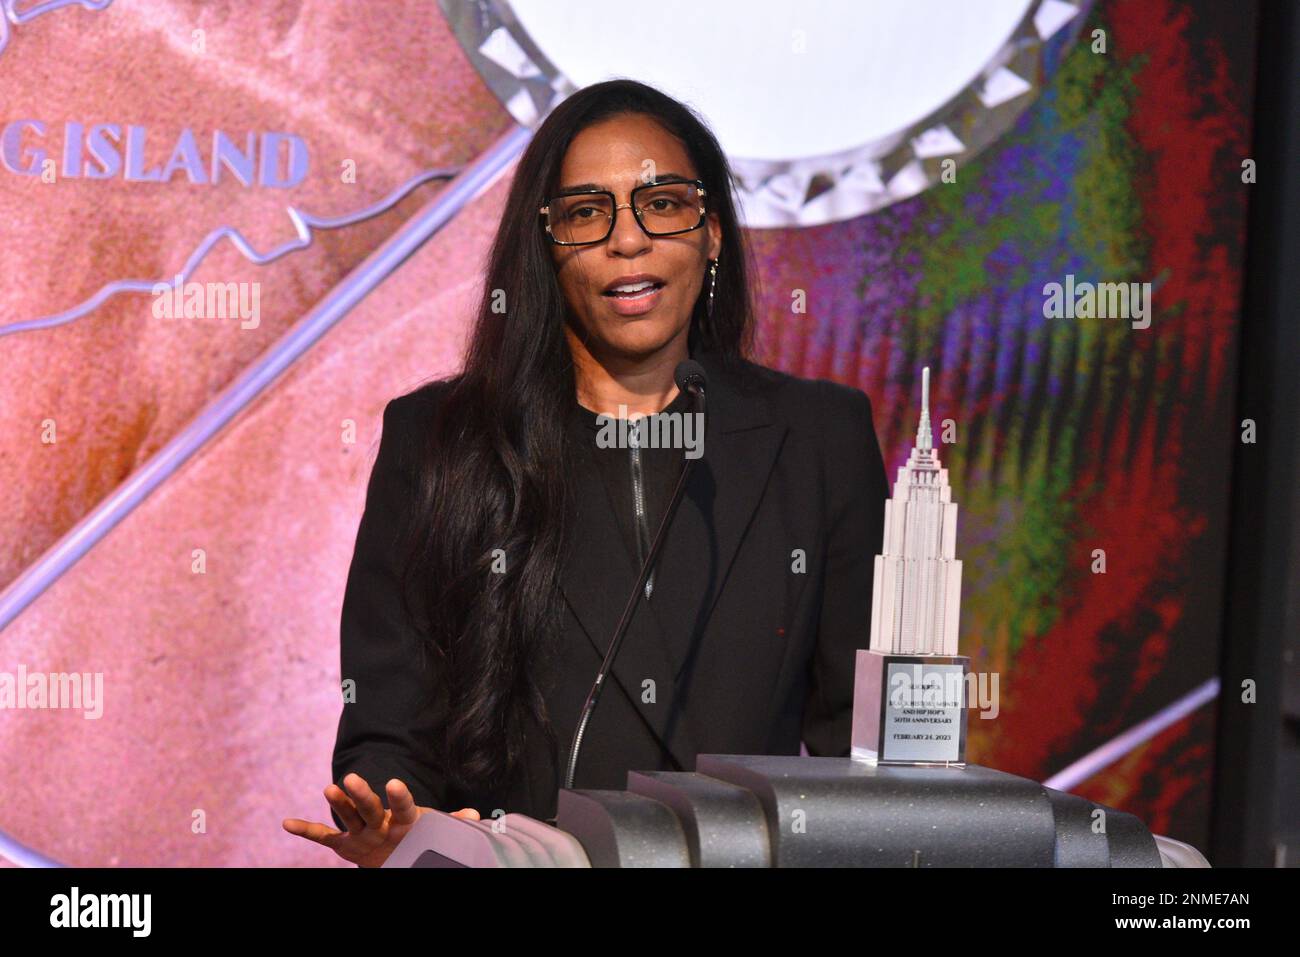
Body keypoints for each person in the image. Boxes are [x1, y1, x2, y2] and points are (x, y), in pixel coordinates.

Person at [283, 78, 888, 866]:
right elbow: (391, 736)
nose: (627, 240)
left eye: (663, 202)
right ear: (545, 246)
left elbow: (869, 755)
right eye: (584, 212)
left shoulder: (817, 438)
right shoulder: (439, 440)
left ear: (711, 232)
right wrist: (405, 833)